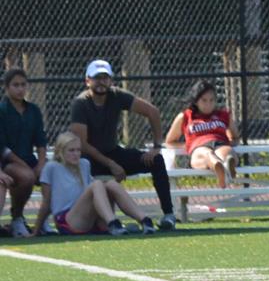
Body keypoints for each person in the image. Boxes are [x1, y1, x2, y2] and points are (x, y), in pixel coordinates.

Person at [68, 59, 176, 229]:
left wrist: (156, 147)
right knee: (101, 219)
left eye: (105, 77)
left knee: (156, 161)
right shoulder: (80, 104)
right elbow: (83, 144)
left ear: (111, 80)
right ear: (87, 80)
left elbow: (152, 112)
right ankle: (117, 221)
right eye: (96, 78)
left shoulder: (117, 95)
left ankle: (169, 215)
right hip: (89, 161)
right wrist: (111, 165)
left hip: (113, 154)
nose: (101, 82)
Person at [37, 132, 156, 235]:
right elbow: (46, 202)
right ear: (60, 151)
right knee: (97, 184)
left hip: (89, 218)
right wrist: (36, 230)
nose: (76, 154)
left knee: (111, 184)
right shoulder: (51, 167)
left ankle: (145, 220)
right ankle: (112, 223)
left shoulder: (84, 164)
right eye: (71, 150)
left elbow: (95, 194)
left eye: (78, 150)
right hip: (67, 221)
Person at [0, 67, 47, 237]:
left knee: (53, 173)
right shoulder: (2, 110)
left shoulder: (33, 110)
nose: (20, 89)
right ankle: (17, 218)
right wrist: (25, 166)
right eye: (15, 85)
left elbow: (41, 140)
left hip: (30, 159)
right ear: (7, 87)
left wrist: (41, 164)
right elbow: (2, 148)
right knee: (27, 177)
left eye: (23, 85)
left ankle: (45, 220)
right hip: (9, 162)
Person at [166, 79, 236, 188]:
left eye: (212, 100)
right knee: (207, 154)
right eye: (204, 100)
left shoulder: (223, 115)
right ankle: (219, 168)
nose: (208, 104)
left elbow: (235, 137)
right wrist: (186, 146)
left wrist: (230, 143)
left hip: (219, 143)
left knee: (227, 153)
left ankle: (226, 165)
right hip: (198, 147)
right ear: (196, 101)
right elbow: (169, 142)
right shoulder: (186, 116)